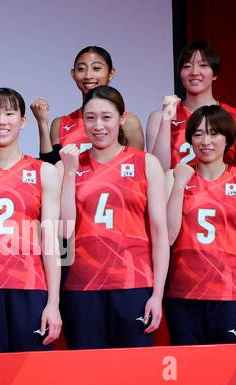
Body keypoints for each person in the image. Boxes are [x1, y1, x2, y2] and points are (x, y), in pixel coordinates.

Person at [59, 85, 168, 349]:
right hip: (82, 286)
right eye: (90, 118)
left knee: (132, 378)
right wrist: (70, 173)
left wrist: (157, 294)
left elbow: (159, 232)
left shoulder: (146, 163)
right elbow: (62, 232)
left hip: (134, 284)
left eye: (106, 117)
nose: (98, 125)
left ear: (122, 119)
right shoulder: (67, 165)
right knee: (87, 377)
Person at [0, 87, 62, 353]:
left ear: (23, 120)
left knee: (31, 381)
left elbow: (51, 241)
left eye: (9, 113)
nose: (1, 121)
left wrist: (53, 302)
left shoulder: (45, 172)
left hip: (30, 288)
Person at [164, 106, 236, 344]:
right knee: (189, 375)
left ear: (227, 138)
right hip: (183, 294)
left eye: (214, 133)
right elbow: (167, 236)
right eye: (198, 134)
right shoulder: (174, 177)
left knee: (227, 375)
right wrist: (179, 185)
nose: (205, 141)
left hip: (230, 294)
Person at [146, 40, 236, 172]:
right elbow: (157, 173)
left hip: (221, 192)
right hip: (175, 190)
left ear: (214, 74)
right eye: (187, 66)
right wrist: (166, 119)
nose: (194, 72)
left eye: (203, 65)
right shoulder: (159, 117)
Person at [31, 46, 145, 162]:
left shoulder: (129, 122)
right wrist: (42, 123)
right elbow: (52, 167)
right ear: (73, 74)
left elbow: (135, 170)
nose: (88, 76)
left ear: (111, 73)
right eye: (81, 69)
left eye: (96, 68)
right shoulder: (60, 124)